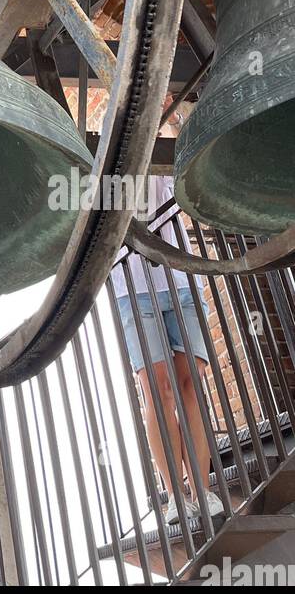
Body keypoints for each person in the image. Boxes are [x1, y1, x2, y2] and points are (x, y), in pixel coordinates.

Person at [110, 175, 223, 526]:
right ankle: (175, 495)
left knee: (190, 383)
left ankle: (201, 491)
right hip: (132, 286)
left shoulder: (158, 152)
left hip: (182, 279)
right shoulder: (97, 165)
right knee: (157, 391)